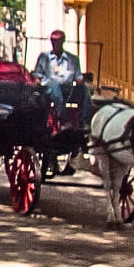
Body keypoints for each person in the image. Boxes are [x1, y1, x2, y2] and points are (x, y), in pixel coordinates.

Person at [32, 29, 89, 175]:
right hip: (49, 90)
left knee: (84, 91)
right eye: (53, 41)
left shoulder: (72, 58)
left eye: (58, 41)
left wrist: (83, 83)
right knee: (55, 87)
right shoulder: (44, 58)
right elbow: (37, 77)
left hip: (68, 89)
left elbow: (78, 78)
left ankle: (86, 122)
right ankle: (63, 119)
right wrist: (35, 83)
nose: (55, 44)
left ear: (62, 42)